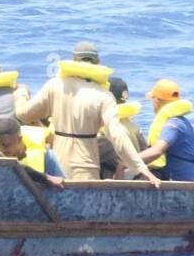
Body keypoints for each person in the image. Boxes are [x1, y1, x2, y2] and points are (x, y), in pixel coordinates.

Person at [16, 40, 160, 184]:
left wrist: (21, 92)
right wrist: (142, 168)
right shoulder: (104, 95)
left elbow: (24, 114)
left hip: (58, 163)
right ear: (97, 62)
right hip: (86, 166)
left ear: (74, 60)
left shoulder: (54, 85)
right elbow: (117, 136)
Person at [139, 78, 194, 181]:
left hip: (175, 177)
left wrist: (126, 162)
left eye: (152, 99)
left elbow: (157, 151)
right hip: (184, 175)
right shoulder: (182, 121)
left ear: (157, 100)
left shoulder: (173, 125)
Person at [0, 116, 65, 189]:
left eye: (6, 145)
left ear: (19, 139)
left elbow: (62, 184)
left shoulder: (47, 156)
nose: (2, 150)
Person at [98, 76, 147, 179]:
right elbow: (144, 149)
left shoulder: (105, 130)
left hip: (116, 179)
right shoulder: (134, 126)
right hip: (135, 177)